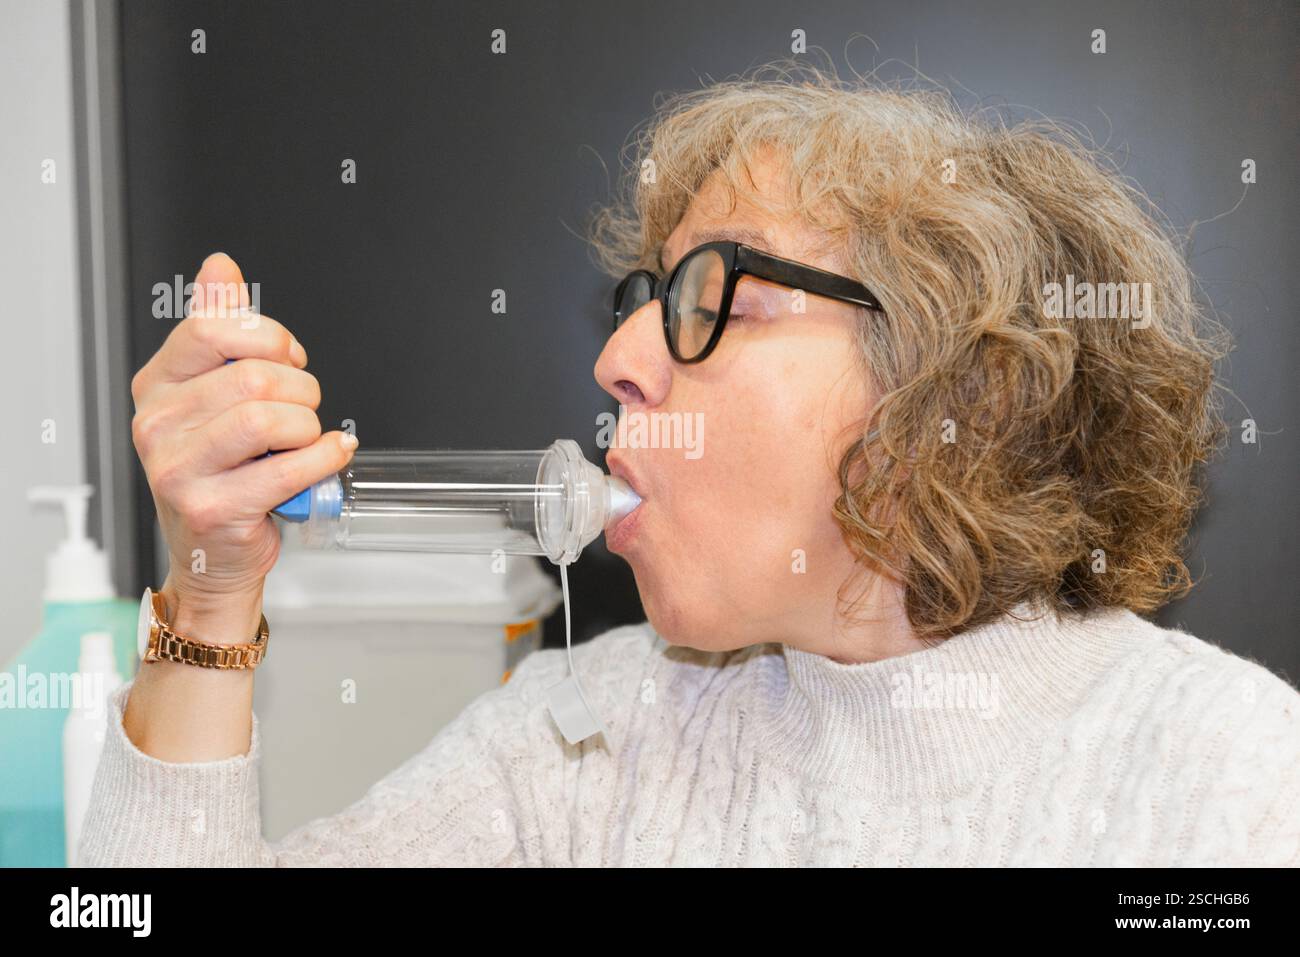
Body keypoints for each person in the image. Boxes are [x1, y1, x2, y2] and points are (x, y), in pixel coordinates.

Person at [79, 63, 1299, 866]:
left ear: (959, 389)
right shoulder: (587, 739)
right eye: (643, 296)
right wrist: (212, 595)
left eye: (715, 295)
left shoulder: (1222, 781)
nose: (615, 356)